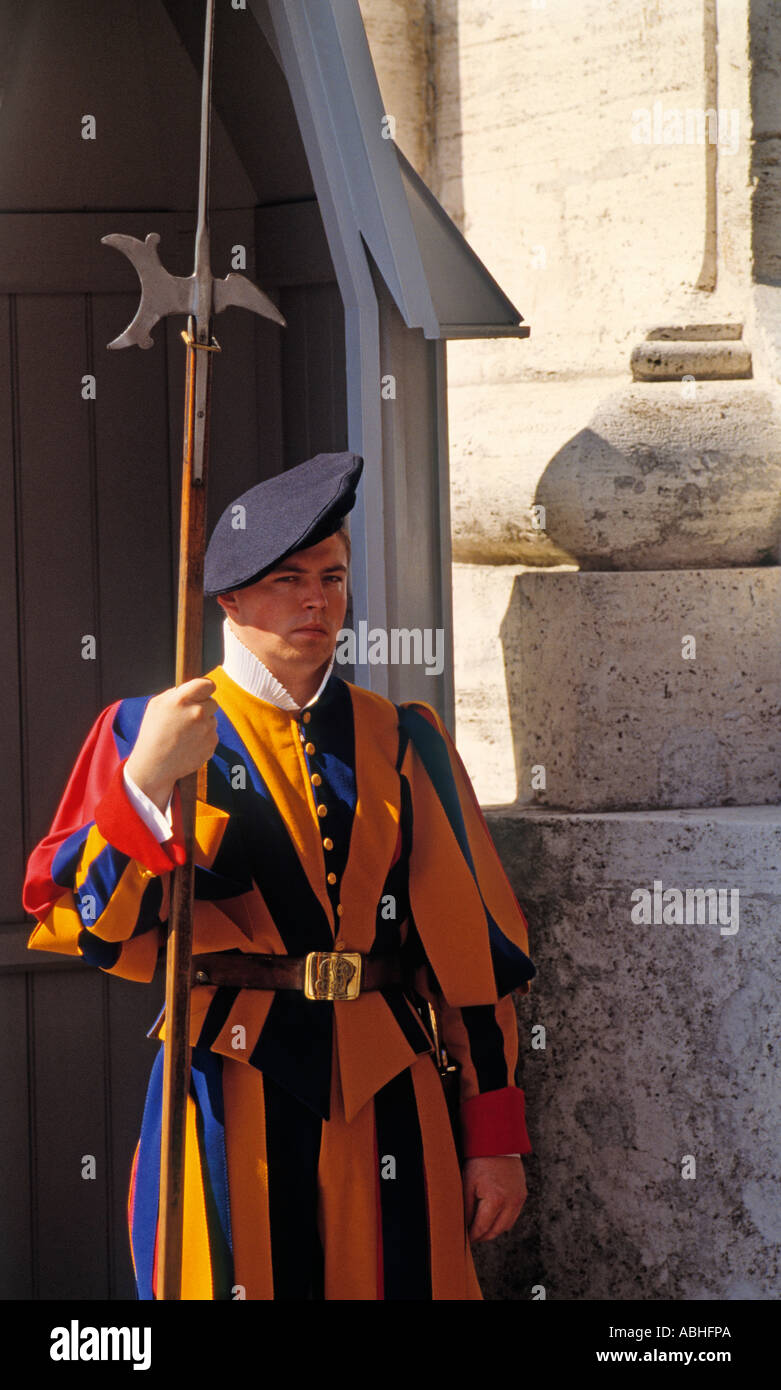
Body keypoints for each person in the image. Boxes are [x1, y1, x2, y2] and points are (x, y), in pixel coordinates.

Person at [23, 451, 536, 1301]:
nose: (317, 600)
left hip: (389, 1084)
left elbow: (471, 961)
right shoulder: (143, 732)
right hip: (227, 1078)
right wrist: (146, 784)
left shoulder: (405, 738)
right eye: (289, 579)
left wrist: (494, 1135)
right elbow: (89, 925)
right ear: (230, 598)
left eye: (332, 578)